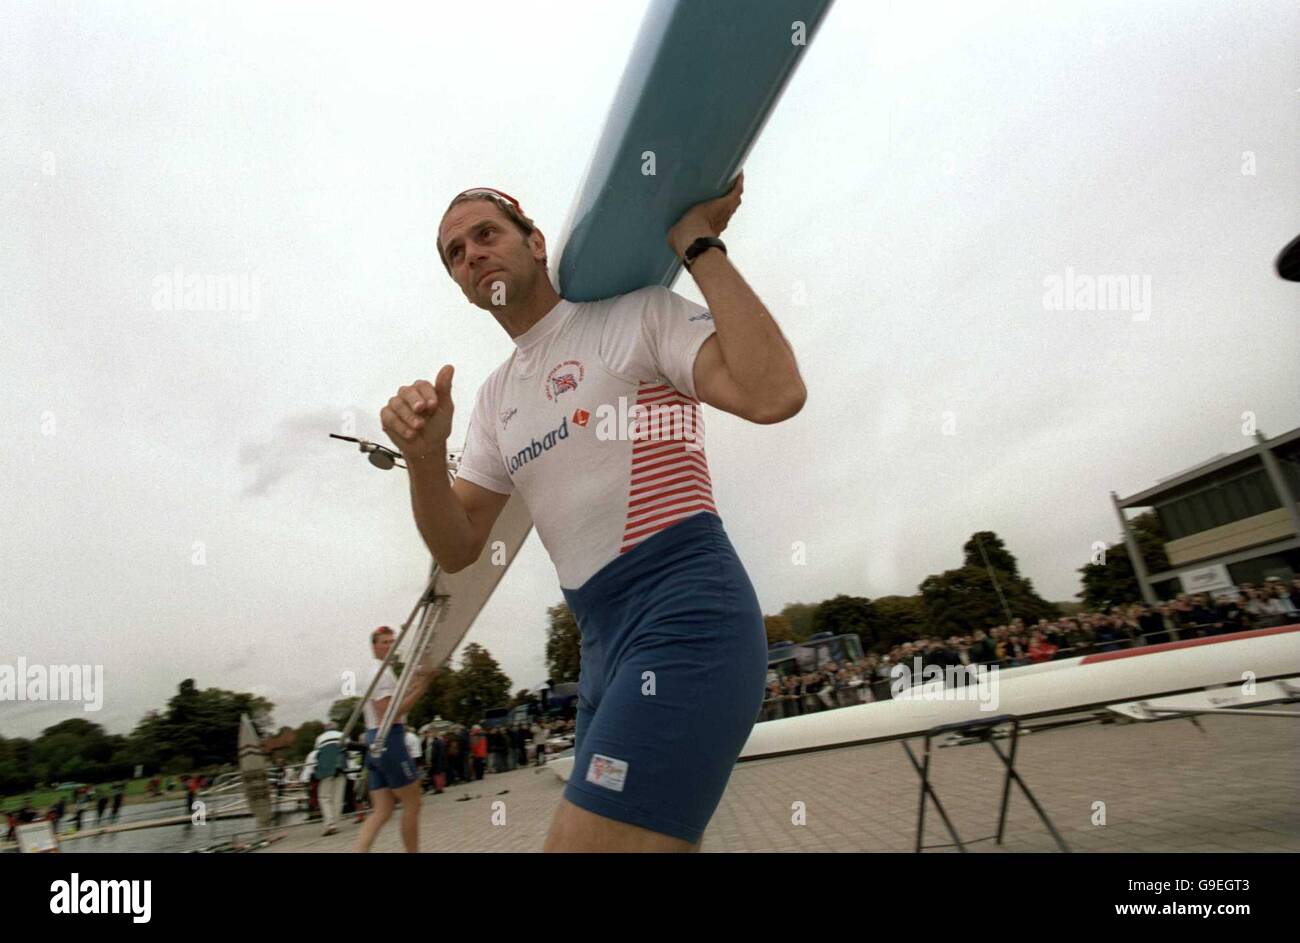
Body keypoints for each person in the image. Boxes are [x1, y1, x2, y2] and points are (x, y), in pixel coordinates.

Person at [382, 178, 804, 851]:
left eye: (486, 233)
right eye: (455, 252)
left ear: (536, 242)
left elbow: (774, 390)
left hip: (686, 616)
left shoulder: (635, 315)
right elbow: (459, 546)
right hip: (600, 646)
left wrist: (698, 242)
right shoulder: (494, 402)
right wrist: (426, 461)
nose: (471, 254)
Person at [354, 626, 432, 853]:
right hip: (389, 738)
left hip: (374, 739)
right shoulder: (382, 674)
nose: (390, 646)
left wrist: (417, 682)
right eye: (384, 642)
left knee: (383, 809)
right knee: (413, 802)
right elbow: (390, 712)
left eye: (392, 642)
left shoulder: (379, 673)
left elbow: (396, 701)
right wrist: (423, 688)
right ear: (374, 647)